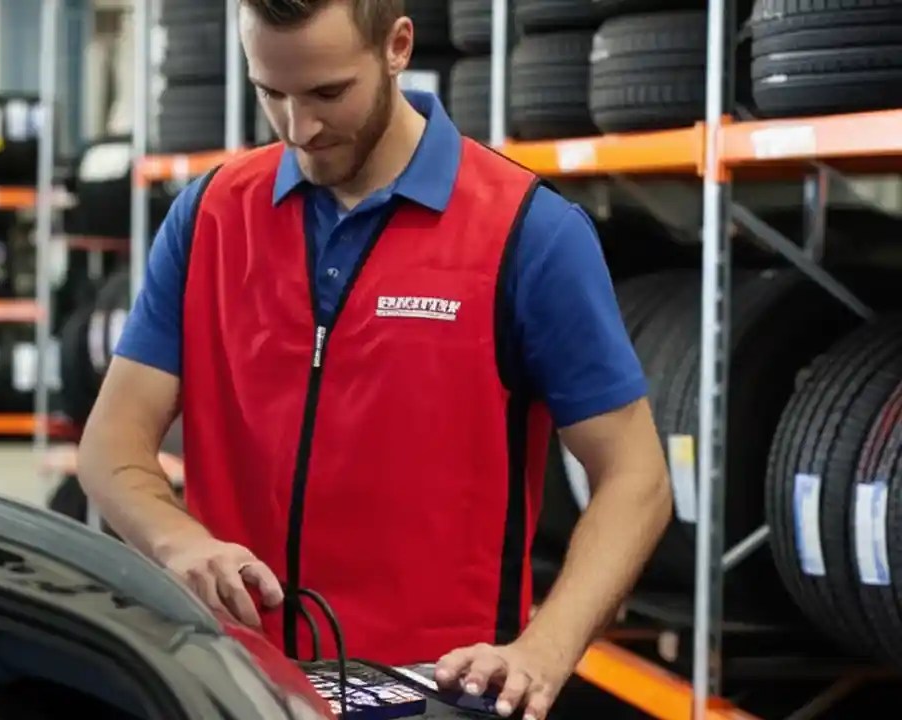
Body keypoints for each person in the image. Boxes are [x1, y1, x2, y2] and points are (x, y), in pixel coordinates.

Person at [77, 1, 672, 718]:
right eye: (272, 92)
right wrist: (178, 543)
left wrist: (543, 653)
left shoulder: (527, 232)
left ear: (396, 47)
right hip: (233, 681)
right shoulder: (209, 219)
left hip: (438, 695)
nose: (300, 128)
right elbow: (112, 444)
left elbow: (635, 478)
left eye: (329, 93)